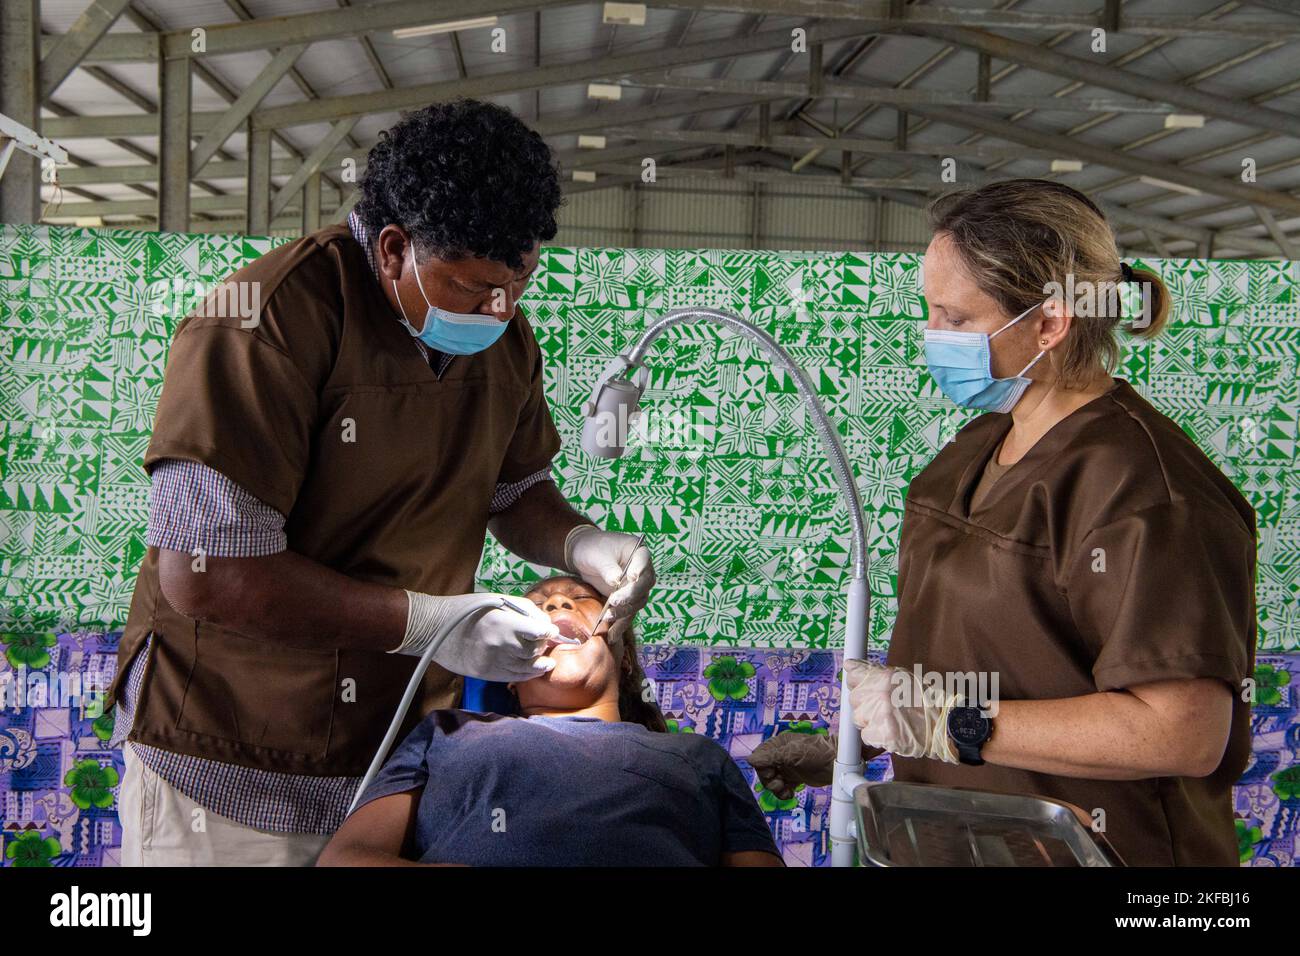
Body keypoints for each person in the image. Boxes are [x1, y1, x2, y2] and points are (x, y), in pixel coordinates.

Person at [107, 99, 654, 866]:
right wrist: (433, 625)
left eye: (518, 281)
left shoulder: (502, 337)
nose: (498, 309)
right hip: (237, 755)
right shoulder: (264, 323)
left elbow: (514, 491)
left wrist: (582, 541)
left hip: (390, 760)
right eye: (470, 287)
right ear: (394, 249)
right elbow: (207, 573)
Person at [752, 179, 1257, 866]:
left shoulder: (1149, 490)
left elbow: (1185, 733)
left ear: (1050, 323)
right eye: (930, 313)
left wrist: (945, 723)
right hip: (965, 840)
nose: (933, 338)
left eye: (956, 320)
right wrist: (860, 741)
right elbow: (991, 657)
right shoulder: (971, 453)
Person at [317, 576, 784, 867]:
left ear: (623, 657)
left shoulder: (696, 757)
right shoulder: (447, 732)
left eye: (580, 598)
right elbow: (344, 858)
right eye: (540, 604)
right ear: (509, 676)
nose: (558, 603)